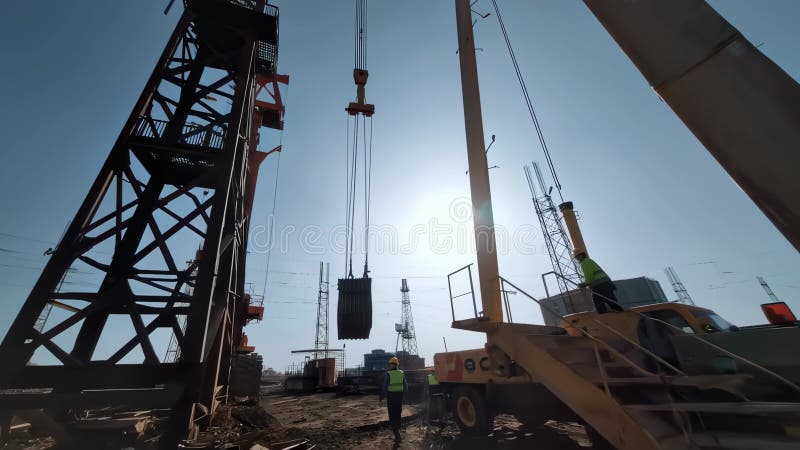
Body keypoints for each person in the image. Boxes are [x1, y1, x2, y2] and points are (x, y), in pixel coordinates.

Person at [574, 248, 624, 313]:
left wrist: (584, 284)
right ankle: (622, 313)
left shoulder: (584, 263)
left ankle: (604, 317)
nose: (577, 259)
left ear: (580, 256)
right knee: (611, 301)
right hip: (607, 283)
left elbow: (589, 276)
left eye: (577, 257)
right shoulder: (589, 260)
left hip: (599, 285)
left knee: (598, 301)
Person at [380, 356, 408, 443]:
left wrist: (382, 396)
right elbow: (406, 386)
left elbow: (385, 387)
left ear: (393, 364)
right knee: (398, 415)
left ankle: (397, 434)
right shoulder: (401, 373)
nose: (389, 365)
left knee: (392, 416)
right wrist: (404, 395)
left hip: (391, 397)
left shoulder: (389, 374)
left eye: (390, 364)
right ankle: (398, 432)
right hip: (399, 397)